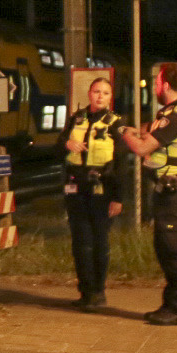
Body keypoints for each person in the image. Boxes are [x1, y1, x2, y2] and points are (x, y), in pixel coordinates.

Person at [120, 61, 177, 326]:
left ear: (165, 85)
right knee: (167, 247)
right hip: (172, 189)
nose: (155, 86)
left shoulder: (176, 117)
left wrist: (121, 130)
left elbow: (143, 148)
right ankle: (173, 305)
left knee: (174, 249)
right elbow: (151, 131)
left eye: (157, 82)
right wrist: (136, 128)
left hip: (173, 191)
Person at [62, 76, 127, 308]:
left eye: (105, 92)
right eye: (96, 91)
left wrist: (118, 198)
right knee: (80, 242)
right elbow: (58, 146)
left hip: (103, 189)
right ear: (89, 94)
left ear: (111, 98)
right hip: (76, 188)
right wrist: (67, 144)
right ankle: (85, 292)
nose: (100, 96)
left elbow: (121, 163)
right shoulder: (76, 119)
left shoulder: (116, 124)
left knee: (99, 241)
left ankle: (98, 292)